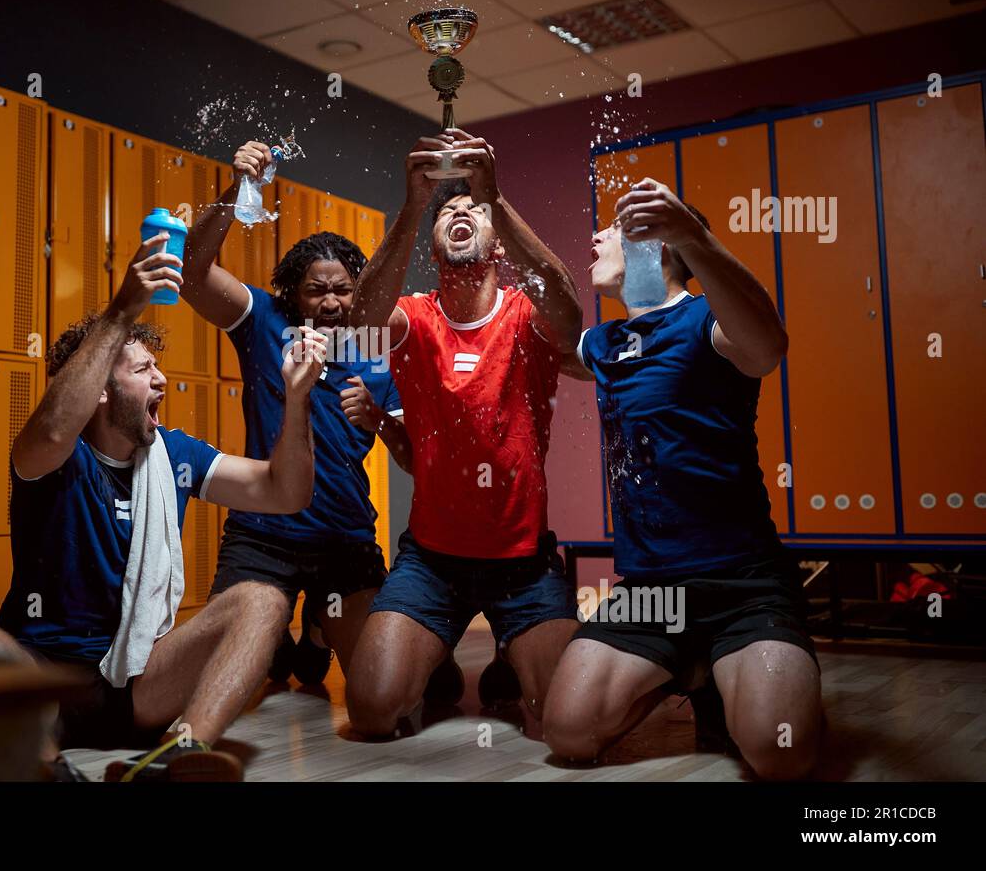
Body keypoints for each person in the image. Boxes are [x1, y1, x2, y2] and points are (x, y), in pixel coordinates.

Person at [0, 230, 327, 782]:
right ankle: (51, 771)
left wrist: (298, 400)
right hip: (45, 679)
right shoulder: (55, 458)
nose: (162, 378)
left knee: (261, 600)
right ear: (100, 391)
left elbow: (286, 492)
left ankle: (177, 759)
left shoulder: (172, 455)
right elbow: (59, 422)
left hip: (131, 682)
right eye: (142, 370)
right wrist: (124, 305)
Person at [543, 178, 822, 780]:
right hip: (651, 591)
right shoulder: (607, 342)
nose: (594, 237)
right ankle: (692, 671)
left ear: (655, 248)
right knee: (568, 732)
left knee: (779, 752)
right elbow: (556, 344)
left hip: (743, 585)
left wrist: (693, 235)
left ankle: (736, 666)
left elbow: (769, 346)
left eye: (612, 231)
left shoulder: (707, 322)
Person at [344, 127, 584, 736]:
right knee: (372, 710)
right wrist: (411, 206)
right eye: (447, 209)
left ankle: (511, 650)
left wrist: (494, 196)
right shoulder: (415, 317)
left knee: (565, 718)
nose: (460, 211)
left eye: (472, 208)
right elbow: (361, 318)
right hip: (432, 560)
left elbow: (567, 306)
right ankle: (439, 654)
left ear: (496, 239)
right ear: (432, 239)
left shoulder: (525, 315)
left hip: (523, 563)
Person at [178, 140, 411, 687]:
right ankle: (286, 638)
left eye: (344, 292)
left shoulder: (378, 346)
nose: (331, 304)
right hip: (263, 537)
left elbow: (411, 456)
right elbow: (191, 274)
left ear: (361, 295)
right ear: (293, 295)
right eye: (316, 292)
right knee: (218, 678)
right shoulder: (262, 321)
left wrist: (381, 419)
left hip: (343, 538)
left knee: (379, 694)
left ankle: (315, 630)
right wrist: (237, 192)